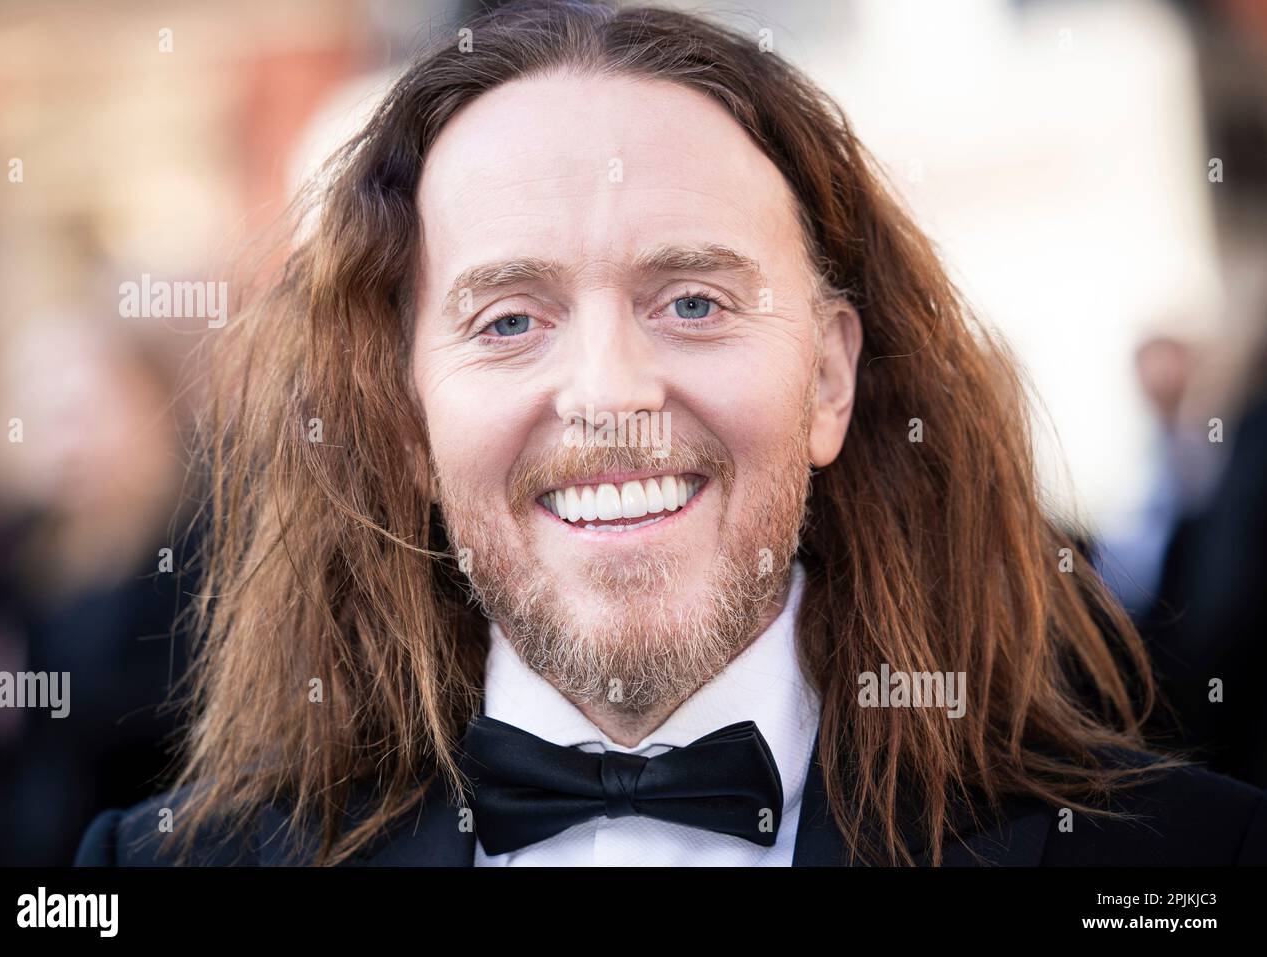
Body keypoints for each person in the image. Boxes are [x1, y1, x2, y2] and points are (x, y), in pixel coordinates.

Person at [75, 0, 1266, 867]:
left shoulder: (1182, 864)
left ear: (830, 380)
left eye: (692, 301)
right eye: (507, 319)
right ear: (400, 420)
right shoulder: (159, 871)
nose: (608, 393)